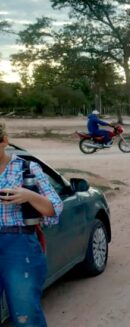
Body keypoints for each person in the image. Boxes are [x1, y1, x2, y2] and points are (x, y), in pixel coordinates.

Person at [0, 121, 63, 326]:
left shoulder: (25, 168)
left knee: (25, 314)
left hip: (19, 246)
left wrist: (28, 195)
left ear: (4, 142)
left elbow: (55, 208)